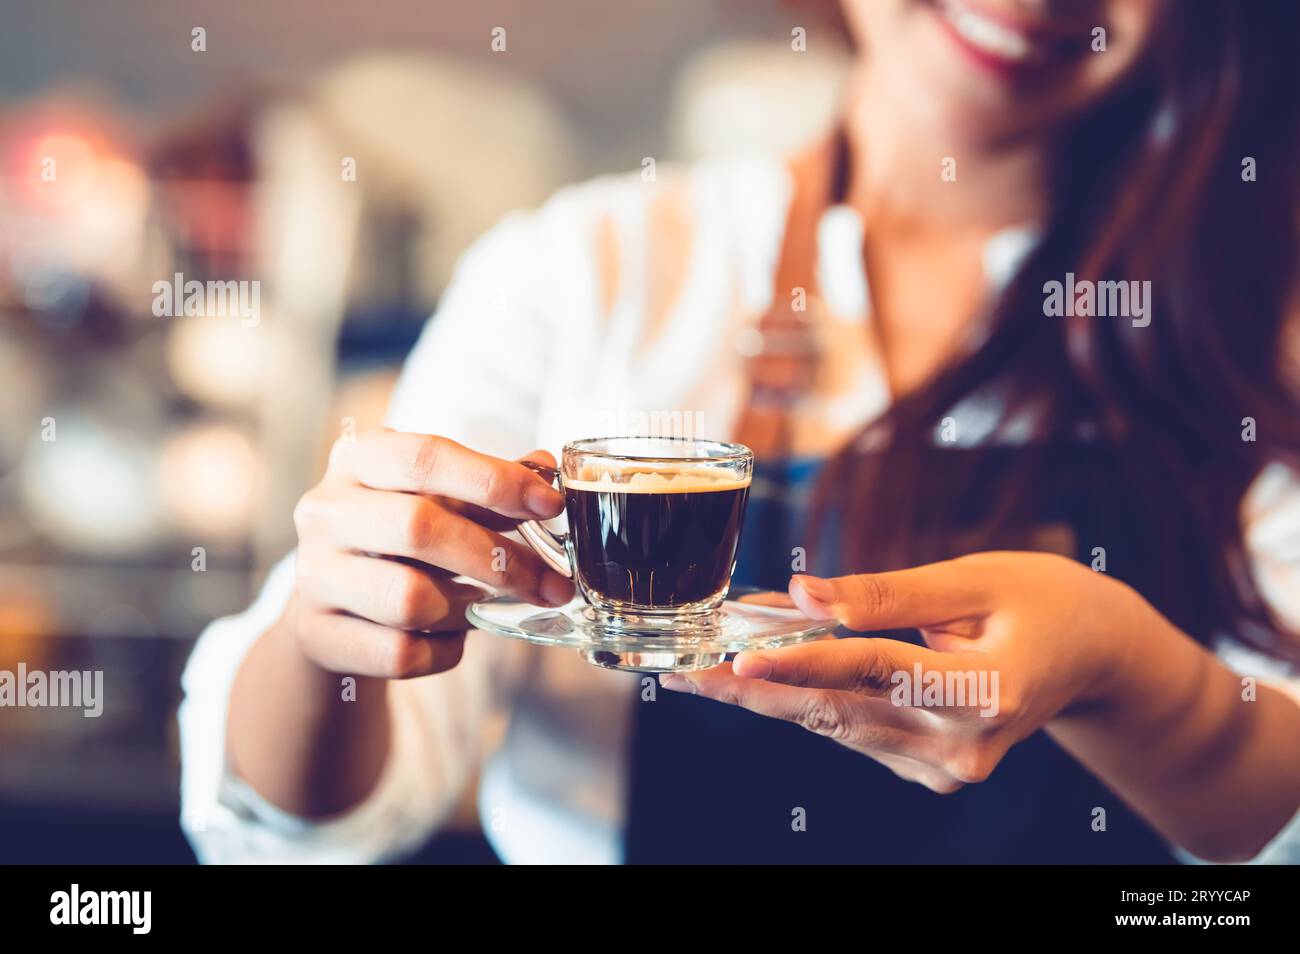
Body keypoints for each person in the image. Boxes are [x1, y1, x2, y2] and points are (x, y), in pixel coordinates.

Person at [180, 0, 1300, 864]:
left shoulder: (1250, 318)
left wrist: (1117, 662)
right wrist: (324, 630)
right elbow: (303, 830)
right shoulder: (588, 270)